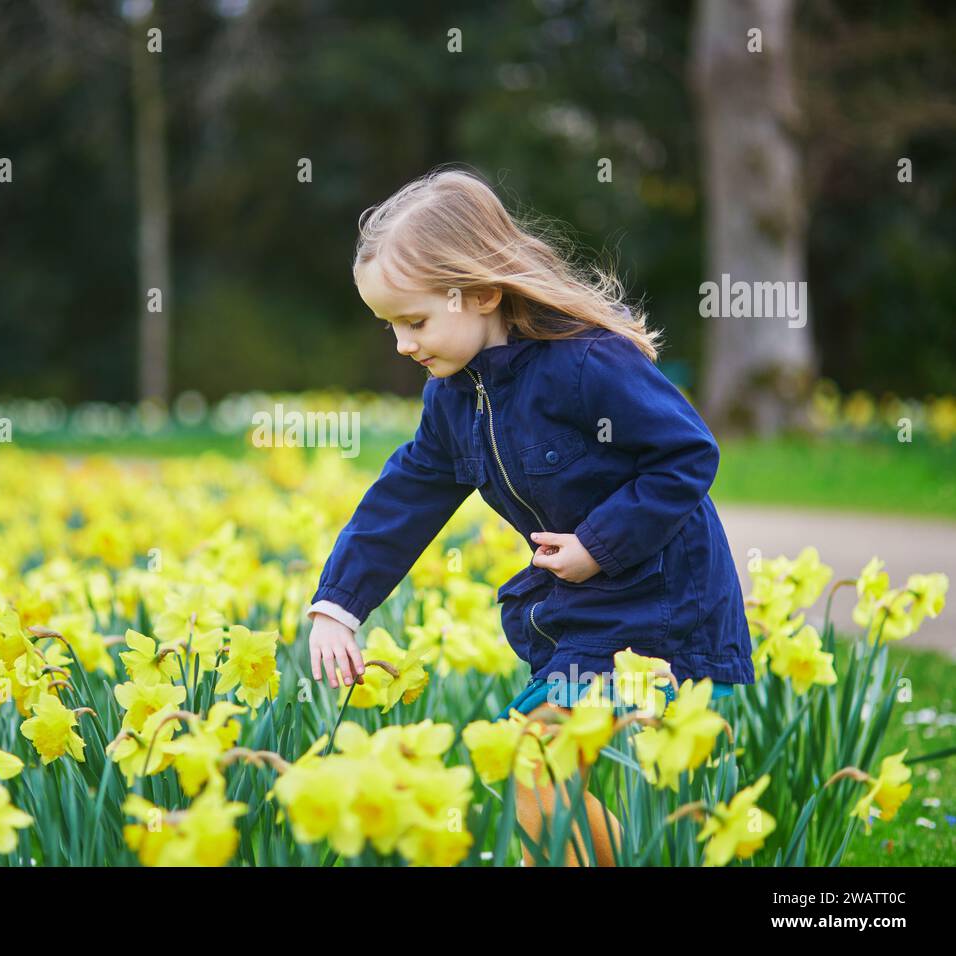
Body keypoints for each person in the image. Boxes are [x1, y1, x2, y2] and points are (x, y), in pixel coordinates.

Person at [303, 166, 752, 862]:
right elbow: (405, 497)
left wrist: (599, 543)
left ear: (481, 291)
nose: (402, 344)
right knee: (534, 772)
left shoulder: (585, 364)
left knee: (665, 801)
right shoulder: (455, 400)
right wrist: (338, 604)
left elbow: (687, 455)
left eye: (414, 321)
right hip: (584, 623)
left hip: (670, 616)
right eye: (389, 325)